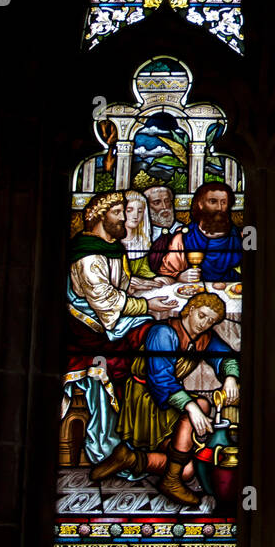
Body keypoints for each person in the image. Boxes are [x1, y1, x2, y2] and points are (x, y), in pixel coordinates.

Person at [88, 292, 239, 507]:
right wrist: (191, 408)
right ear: (190, 309)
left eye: (211, 321)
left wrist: (230, 377)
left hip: (167, 400)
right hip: (146, 400)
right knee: (197, 410)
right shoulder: (163, 333)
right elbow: (161, 380)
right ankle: (170, 480)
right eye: (202, 316)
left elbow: (225, 357)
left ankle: (131, 459)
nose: (204, 324)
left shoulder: (204, 338)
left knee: (187, 470)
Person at [65, 192, 179, 463]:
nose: (125, 218)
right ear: (100, 216)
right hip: (90, 331)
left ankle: (156, 429)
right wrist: (147, 306)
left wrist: (147, 284)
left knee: (159, 333)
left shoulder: (109, 246)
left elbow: (121, 283)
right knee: (153, 336)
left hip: (109, 321)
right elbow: (106, 299)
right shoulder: (88, 255)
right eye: (118, 213)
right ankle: (122, 444)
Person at [148, 181, 242, 282]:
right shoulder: (183, 237)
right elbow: (166, 273)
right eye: (213, 201)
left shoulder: (245, 235)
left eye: (223, 202)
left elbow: (256, 267)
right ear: (200, 204)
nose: (219, 208)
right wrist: (179, 277)